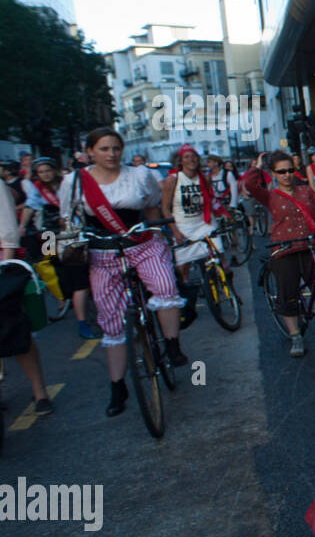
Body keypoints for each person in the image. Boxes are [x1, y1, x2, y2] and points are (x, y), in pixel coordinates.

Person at [59, 128, 187, 416]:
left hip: (141, 243)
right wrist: (60, 252)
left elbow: (153, 207)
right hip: (101, 252)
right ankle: (118, 386)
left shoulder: (140, 175)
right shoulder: (74, 181)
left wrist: (160, 235)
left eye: (116, 148)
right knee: (111, 322)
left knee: (165, 286)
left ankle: (172, 345)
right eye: (104, 149)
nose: (111, 154)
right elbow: (66, 219)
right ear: (90, 151)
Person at [241, 151, 315, 357]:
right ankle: (296, 336)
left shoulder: (306, 191)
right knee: (288, 294)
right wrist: (257, 166)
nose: (287, 175)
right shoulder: (270, 195)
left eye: (290, 170)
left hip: (309, 246)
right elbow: (249, 185)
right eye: (281, 171)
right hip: (283, 249)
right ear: (273, 173)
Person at [20, 157, 95, 338]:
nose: (45, 175)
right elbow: (30, 207)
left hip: (71, 234)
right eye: (41, 172)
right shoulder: (37, 189)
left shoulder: (67, 184)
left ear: (55, 170)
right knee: (51, 269)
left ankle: (81, 317)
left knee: (77, 274)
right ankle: (62, 298)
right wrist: (21, 227)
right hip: (48, 235)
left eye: (48, 170)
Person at [0, 181, 53, 416]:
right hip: (41, 233)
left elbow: (9, 233)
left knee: (15, 331)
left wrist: (4, 267)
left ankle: (40, 390)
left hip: (44, 234)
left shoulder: (26, 184)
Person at [162, 146, 222, 327]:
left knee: (218, 254)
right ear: (181, 160)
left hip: (203, 222)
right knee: (184, 269)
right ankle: (188, 302)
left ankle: (220, 286)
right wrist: (174, 231)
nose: (191, 160)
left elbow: (210, 201)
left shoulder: (204, 178)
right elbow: (165, 208)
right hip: (183, 226)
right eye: (187, 157)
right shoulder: (172, 180)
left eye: (194, 156)